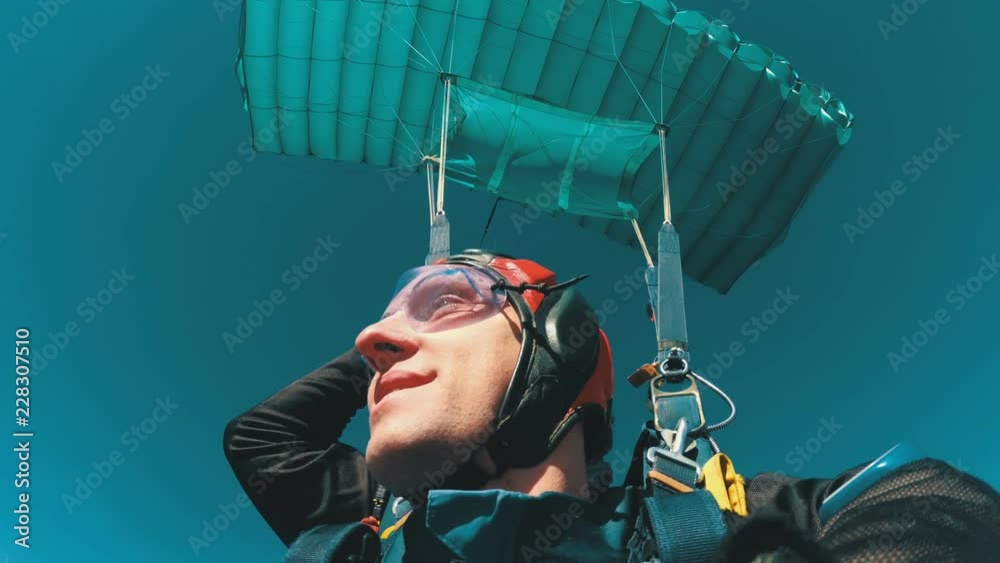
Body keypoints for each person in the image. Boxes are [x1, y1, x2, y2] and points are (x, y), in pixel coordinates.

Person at [224, 249, 1000, 562]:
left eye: (445, 303)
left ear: (559, 343)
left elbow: (924, 501)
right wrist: (387, 343)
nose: (374, 338)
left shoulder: (701, 524)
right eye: (382, 327)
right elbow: (260, 438)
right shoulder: (362, 532)